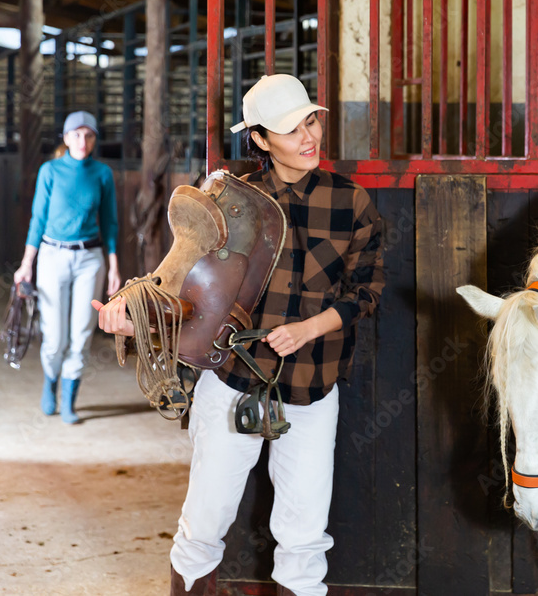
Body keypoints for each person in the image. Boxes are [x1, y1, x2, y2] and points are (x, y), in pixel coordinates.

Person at [93, 74, 385, 596]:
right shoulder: (229, 201)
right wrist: (129, 312)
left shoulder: (352, 202)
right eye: (291, 128)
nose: (308, 135)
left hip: (314, 383)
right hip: (231, 380)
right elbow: (174, 281)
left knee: (304, 535)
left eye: (310, 120)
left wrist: (308, 330)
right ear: (259, 140)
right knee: (205, 521)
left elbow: (366, 291)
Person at [13, 110, 120, 425]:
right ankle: (50, 384)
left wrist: (114, 268)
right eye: (76, 134)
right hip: (52, 255)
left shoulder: (103, 174)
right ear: (66, 137)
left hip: (90, 258)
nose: (82, 140)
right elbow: (38, 219)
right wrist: (26, 265)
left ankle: (70, 401)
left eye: (88, 135)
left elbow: (110, 222)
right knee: (55, 333)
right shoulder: (50, 171)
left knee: (82, 331)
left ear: (94, 139)